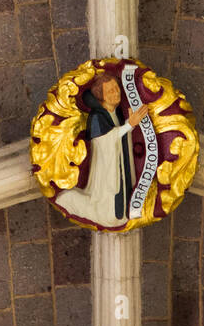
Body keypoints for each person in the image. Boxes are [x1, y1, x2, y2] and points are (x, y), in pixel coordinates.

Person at [57, 72, 149, 228]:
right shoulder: (96, 117)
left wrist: (128, 124)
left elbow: (120, 135)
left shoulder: (116, 112)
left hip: (121, 165)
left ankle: (120, 214)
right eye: (111, 91)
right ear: (102, 97)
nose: (116, 92)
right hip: (106, 170)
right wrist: (129, 125)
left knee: (122, 192)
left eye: (116, 88)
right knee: (107, 205)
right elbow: (106, 140)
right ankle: (69, 200)